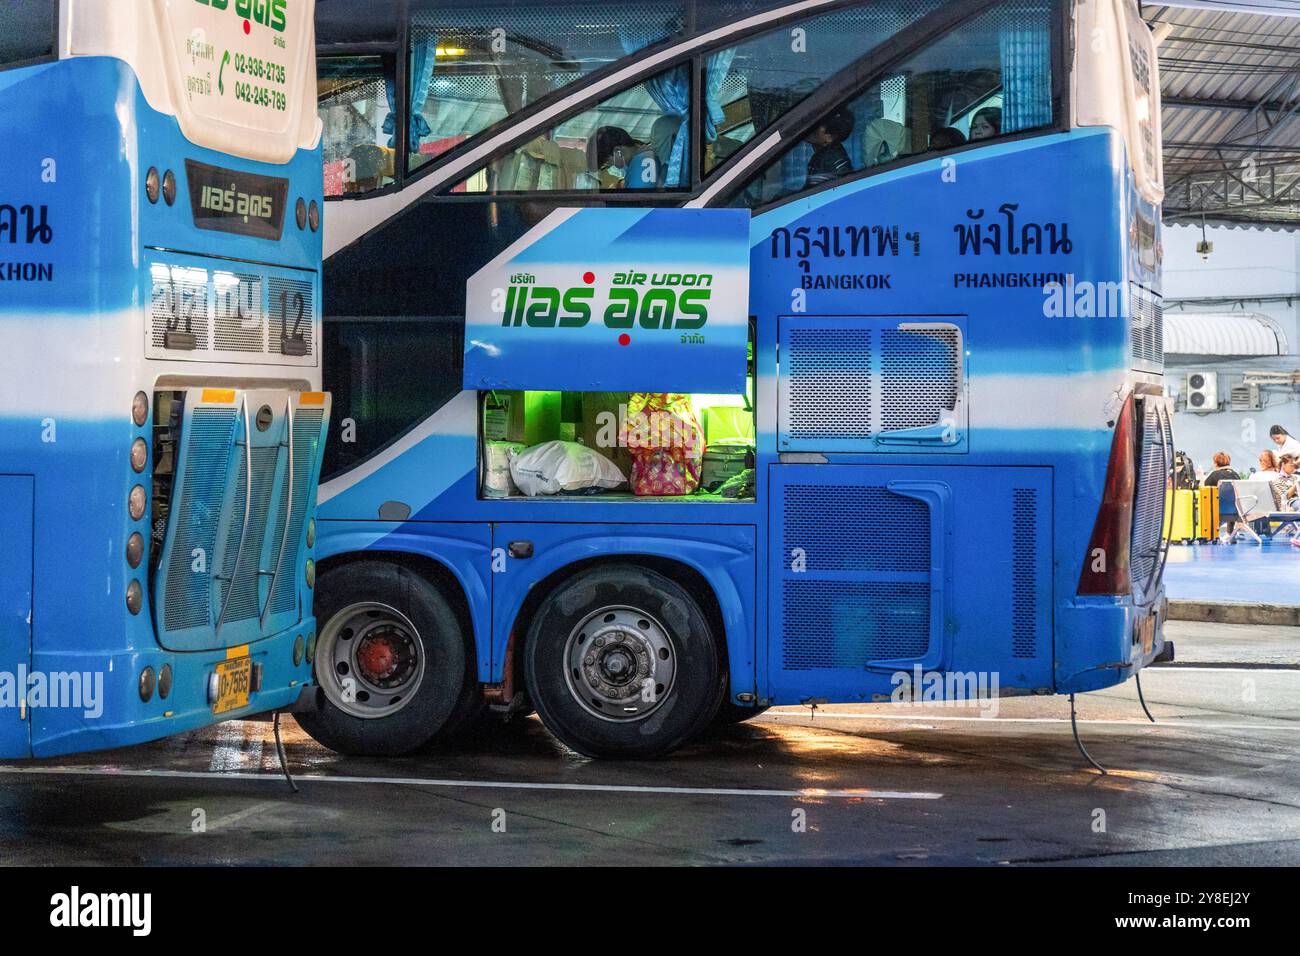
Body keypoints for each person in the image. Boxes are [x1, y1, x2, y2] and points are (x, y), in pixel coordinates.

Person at [589, 126, 659, 190]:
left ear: (618, 151)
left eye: (608, 162)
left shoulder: (644, 163)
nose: (612, 166)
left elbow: (635, 201)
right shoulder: (637, 161)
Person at [804, 109, 855, 188]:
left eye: (818, 125)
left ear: (830, 137)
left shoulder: (833, 159)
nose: (812, 128)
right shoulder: (820, 156)